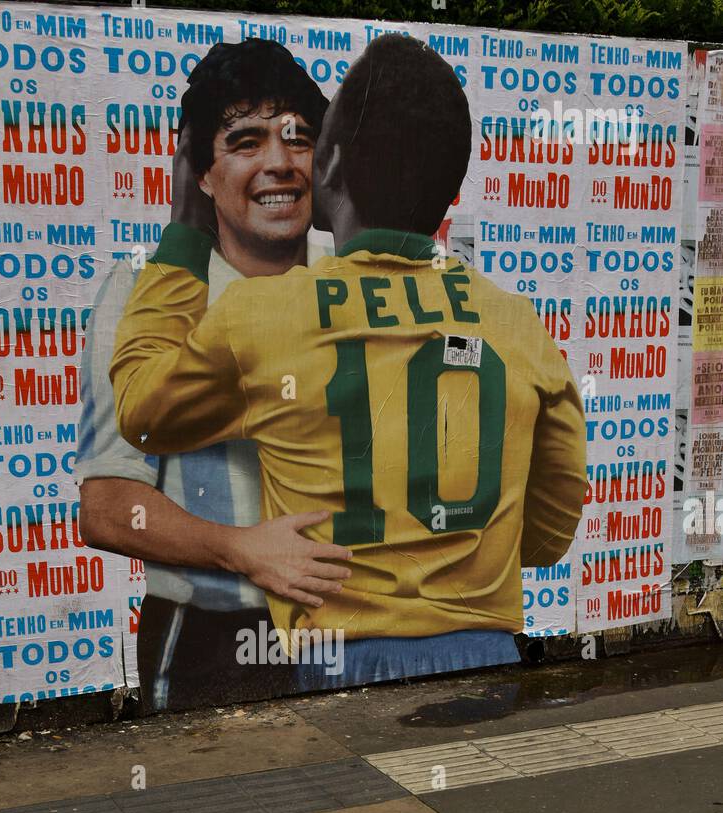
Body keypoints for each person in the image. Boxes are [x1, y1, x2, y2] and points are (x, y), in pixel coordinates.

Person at [110, 34, 588, 690]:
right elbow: (549, 533)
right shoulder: (518, 324)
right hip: (484, 657)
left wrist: (188, 231)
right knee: (449, 799)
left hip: (332, 663)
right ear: (451, 192)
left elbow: (140, 410)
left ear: (329, 168)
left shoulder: (260, 314)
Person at [77, 39, 352, 710]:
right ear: (201, 173)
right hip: (217, 639)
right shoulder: (145, 294)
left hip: (359, 627)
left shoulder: (355, 282)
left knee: (364, 812)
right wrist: (240, 550)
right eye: (246, 141)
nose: (279, 164)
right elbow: (109, 509)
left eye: (297, 139)